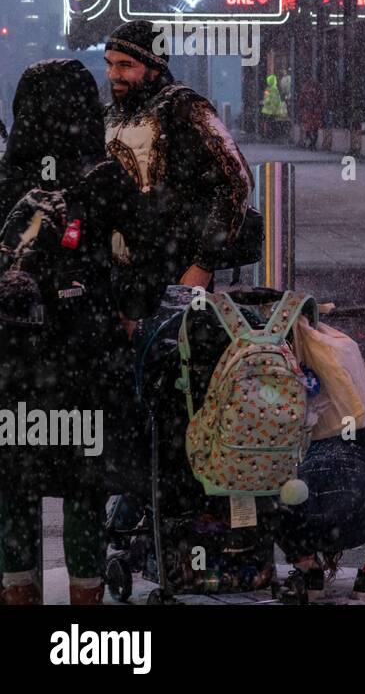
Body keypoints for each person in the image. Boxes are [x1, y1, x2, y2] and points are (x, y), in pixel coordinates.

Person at [0, 60, 164, 605]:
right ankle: (85, 613)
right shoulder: (102, 174)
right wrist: (129, 308)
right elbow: (150, 247)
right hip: (85, 352)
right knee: (84, 482)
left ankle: (18, 591)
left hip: (13, 354)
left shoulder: (5, 177)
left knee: (15, 481)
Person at [103, 20, 254, 296]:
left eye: (125, 65)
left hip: (174, 274)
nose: (113, 74)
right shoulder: (111, 113)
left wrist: (201, 267)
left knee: (175, 339)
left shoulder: (184, 108)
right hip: (120, 277)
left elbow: (236, 182)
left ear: (153, 66)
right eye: (109, 63)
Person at [273, 427, 365, 602]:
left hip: (308, 533)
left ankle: (308, 570)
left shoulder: (307, 452)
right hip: (358, 526)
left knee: (274, 497)